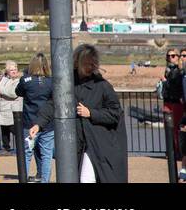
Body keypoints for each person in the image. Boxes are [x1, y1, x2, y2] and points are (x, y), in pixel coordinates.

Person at [32, 44, 127, 183]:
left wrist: (91, 113)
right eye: (87, 63)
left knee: (86, 179)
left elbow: (115, 114)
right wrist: (38, 124)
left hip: (99, 143)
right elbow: (54, 103)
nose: (90, 67)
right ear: (78, 62)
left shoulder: (103, 86)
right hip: (76, 142)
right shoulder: (67, 83)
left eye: (92, 63)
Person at [16, 53, 54, 183]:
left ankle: (24, 179)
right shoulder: (51, 81)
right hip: (47, 124)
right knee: (46, 155)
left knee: (26, 154)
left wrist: (26, 74)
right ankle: (45, 180)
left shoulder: (26, 80)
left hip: (29, 123)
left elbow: (18, 91)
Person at [0, 61, 23, 153]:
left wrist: (0, 91)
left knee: (15, 130)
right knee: (4, 131)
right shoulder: (3, 79)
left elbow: (13, 93)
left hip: (12, 109)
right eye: (11, 70)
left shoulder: (19, 81)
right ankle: (6, 148)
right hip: (2, 109)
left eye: (15, 69)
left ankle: (23, 148)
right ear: (7, 71)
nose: (14, 71)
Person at [162, 47, 184, 161]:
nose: (170, 58)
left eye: (173, 55)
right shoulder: (168, 70)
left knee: (176, 128)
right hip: (168, 101)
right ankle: (172, 151)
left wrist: (165, 82)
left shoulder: (179, 71)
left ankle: (178, 152)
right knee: (169, 128)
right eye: (168, 56)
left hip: (176, 102)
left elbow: (175, 87)